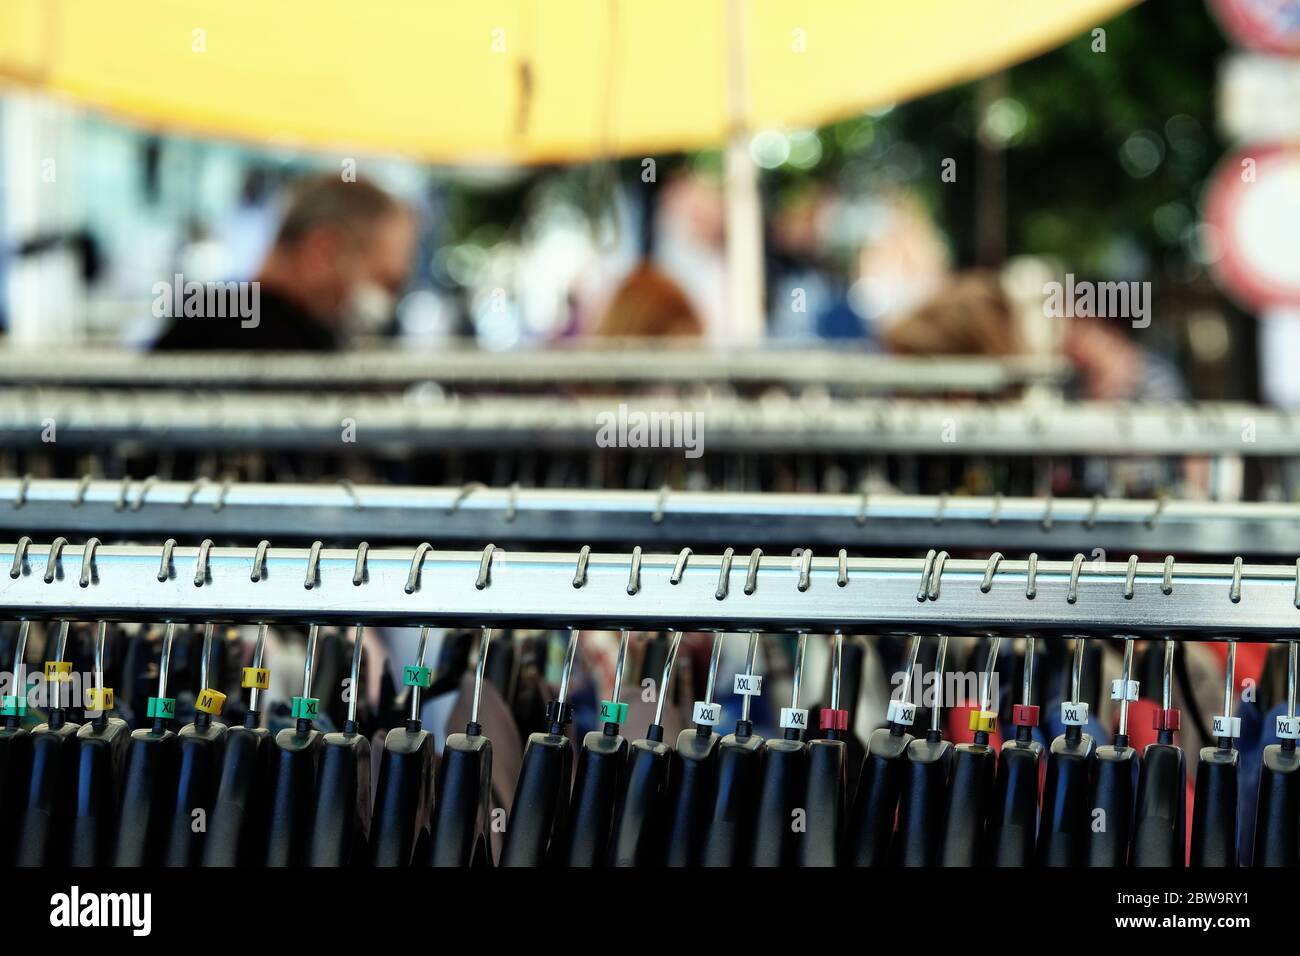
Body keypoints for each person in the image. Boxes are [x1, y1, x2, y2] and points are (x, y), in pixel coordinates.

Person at [152, 174, 415, 351]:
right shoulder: (302, 354)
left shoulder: (202, 316)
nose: (384, 300)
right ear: (323, 250)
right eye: (384, 280)